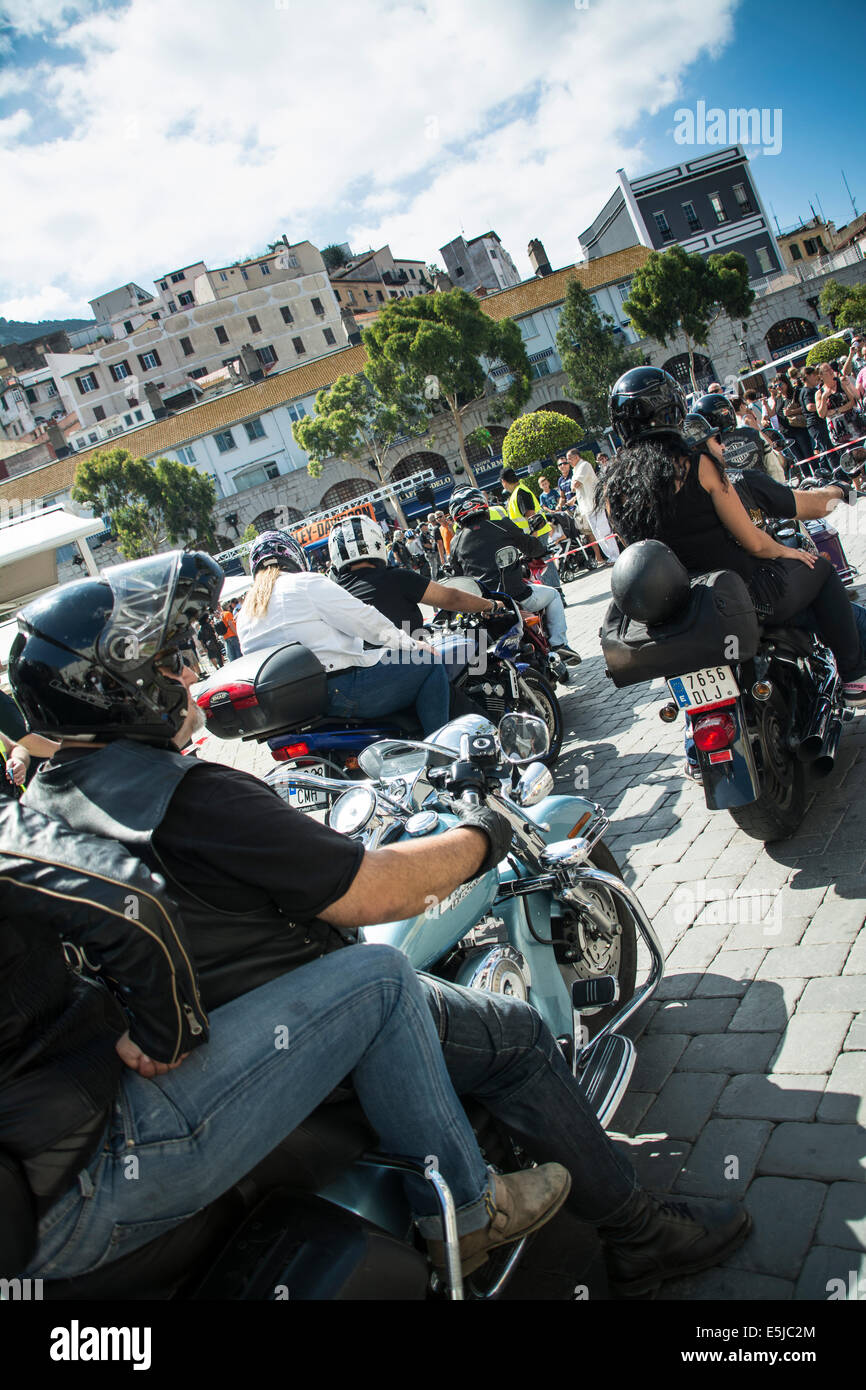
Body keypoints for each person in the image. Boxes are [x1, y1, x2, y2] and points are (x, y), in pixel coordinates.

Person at [10, 549, 751, 1294]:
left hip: (218, 1027)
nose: (185, 673)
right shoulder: (196, 796)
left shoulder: (51, 804)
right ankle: (636, 1232)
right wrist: (481, 839)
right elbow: (372, 893)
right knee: (510, 1033)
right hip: (300, 1021)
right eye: (169, 661)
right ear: (123, 688)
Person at [602, 367, 866, 704]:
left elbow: (639, 555)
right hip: (740, 593)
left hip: (674, 613)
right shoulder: (696, 465)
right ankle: (855, 676)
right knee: (823, 569)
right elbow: (753, 540)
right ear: (672, 409)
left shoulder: (612, 489)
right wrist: (790, 553)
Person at [235, 530, 450, 737]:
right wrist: (412, 645)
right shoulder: (304, 583)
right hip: (338, 691)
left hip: (287, 711)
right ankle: (443, 755)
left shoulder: (245, 611)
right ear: (294, 556)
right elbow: (365, 620)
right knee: (428, 663)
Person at [447, 489, 581, 662]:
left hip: (485, 605)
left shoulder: (455, 543)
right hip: (517, 596)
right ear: (482, 505)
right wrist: (540, 547)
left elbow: (458, 577)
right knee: (554, 595)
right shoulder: (501, 525)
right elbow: (533, 547)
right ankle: (559, 644)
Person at [566, 448, 620, 563]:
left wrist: (575, 485)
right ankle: (610, 557)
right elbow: (572, 487)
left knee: (604, 530)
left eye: (569, 459)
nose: (568, 461)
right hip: (586, 507)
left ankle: (616, 556)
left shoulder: (584, 465)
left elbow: (575, 484)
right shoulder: (575, 469)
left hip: (595, 503)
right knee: (597, 534)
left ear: (576, 457)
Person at [815, 360, 861, 446]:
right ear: (821, 376)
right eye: (827, 370)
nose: (831, 371)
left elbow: (852, 402)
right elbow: (821, 414)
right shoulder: (819, 393)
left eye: (830, 369)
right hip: (837, 431)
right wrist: (824, 397)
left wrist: (836, 410)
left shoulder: (841, 383)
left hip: (852, 425)